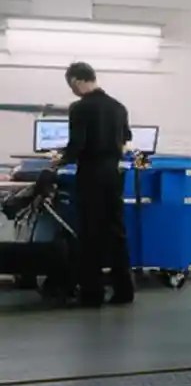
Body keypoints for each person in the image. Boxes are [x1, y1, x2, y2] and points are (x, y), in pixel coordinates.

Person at [56, 62, 135, 306]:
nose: (73, 92)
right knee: (116, 231)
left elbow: (77, 144)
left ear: (78, 81)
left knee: (91, 234)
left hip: (90, 175)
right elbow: (126, 140)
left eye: (72, 86)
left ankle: (92, 293)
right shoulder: (118, 107)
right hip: (113, 175)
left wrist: (60, 160)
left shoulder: (79, 108)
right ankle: (124, 291)